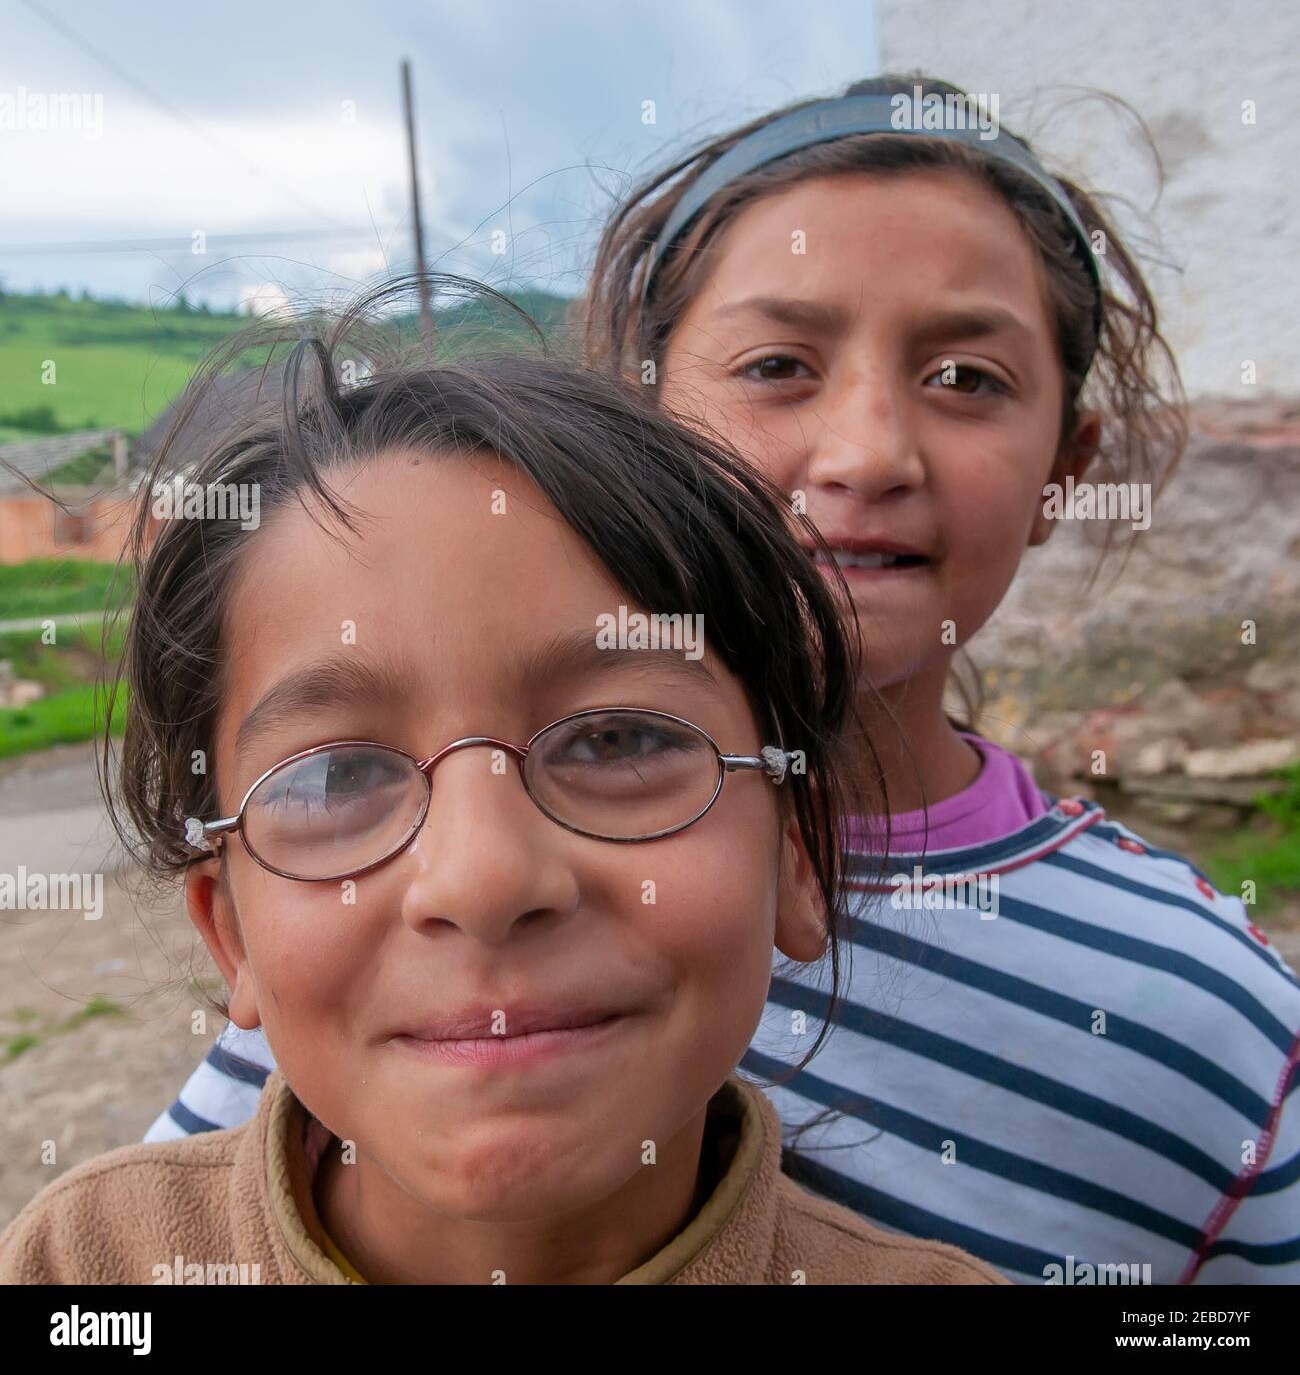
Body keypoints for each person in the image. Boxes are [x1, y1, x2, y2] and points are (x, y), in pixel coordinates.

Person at [148, 76, 1300, 1284]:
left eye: (966, 377)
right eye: (775, 365)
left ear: (1068, 467)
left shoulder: (1209, 1019)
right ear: (632, 412)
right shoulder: (376, 929)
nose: (867, 454)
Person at [0, 280, 1002, 1285]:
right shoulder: (85, 1266)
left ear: (795, 851)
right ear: (231, 935)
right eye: (336, 774)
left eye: (616, 740)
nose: (483, 880)